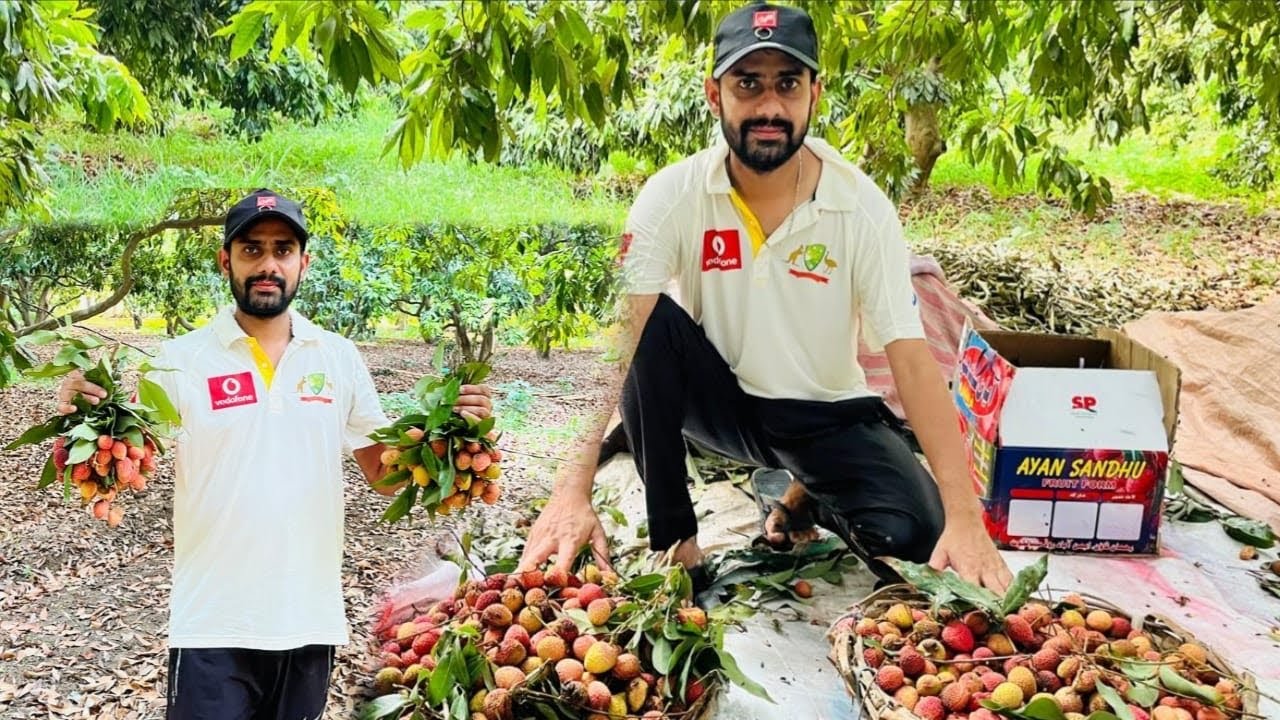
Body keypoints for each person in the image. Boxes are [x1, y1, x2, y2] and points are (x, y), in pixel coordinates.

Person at [519, 3, 1012, 593]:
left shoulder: (860, 207)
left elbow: (911, 361)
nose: (769, 106)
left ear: (814, 94)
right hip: (721, 402)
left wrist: (965, 519)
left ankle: (803, 495)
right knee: (641, 321)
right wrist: (569, 492)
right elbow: (617, 344)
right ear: (714, 94)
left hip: (824, 415)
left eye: (788, 83)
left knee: (914, 544)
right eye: (747, 84)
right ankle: (679, 547)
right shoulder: (674, 195)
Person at [55, 189, 493, 719]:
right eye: (252, 250)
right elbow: (119, 467)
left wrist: (447, 433)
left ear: (303, 263)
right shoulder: (178, 361)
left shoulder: (337, 357)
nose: (268, 264)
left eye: (282, 250)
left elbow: (384, 474)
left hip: (308, 621)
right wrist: (84, 417)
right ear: (226, 261)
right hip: (213, 623)